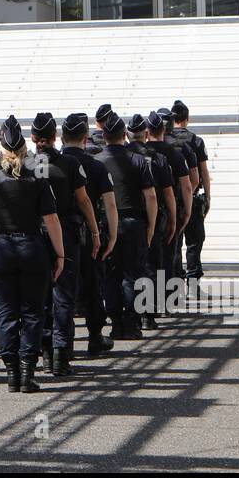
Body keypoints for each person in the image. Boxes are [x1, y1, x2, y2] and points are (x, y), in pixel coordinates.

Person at [0, 115, 64, 393]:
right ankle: (27, 371)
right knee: (32, 312)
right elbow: (51, 220)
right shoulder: (37, 179)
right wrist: (60, 255)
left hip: (2, 249)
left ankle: (12, 372)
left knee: (5, 312)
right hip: (32, 249)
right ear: (25, 150)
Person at [30, 111, 98, 375]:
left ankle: (45, 352)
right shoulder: (69, 164)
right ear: (54, 136)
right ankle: (60, 353)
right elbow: (83, 200)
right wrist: (95, 232)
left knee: (41, 296)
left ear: (34, 137)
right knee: (64, 295)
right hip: (66, 234)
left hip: (34, 236)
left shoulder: (24, 165)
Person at [94, 112, 156, 341]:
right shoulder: (137, 160)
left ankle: (116, 323)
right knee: (132, 275)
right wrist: (150, 226)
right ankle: (131, 323)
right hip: (133, 222)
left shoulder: (96, 161)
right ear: (124, 135)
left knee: (111, 276)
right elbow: (150, 196)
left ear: (103, 135)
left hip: (106, 223)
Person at [62, 112, 118, 355]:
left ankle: (61, 341)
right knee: (93, 284)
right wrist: (112, 235)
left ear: (62, 137)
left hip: (58, 234)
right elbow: (110, 204)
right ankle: (95, 335)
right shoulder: (96, 165)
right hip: (89, 231)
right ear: (86, 138)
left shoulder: (49, 164)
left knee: (60, 288)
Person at [128, 113, 175, 329]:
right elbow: (166, 194)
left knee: (124, 270)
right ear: (145, 134)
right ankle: (148, 314)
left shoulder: (121, 157)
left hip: (123, 217)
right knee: (152, 267)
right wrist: (173, 220)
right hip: (151, 217)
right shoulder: (158, 158)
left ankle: (126, 318)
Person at [147, 111, 192, 306]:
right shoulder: (174, 152)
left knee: (148, 261)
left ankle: (149, 306)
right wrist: (186, 212)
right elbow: (188, 185)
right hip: (168, 209)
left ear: (147, 131)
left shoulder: (140, 151)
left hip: (145, 212)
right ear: (164, 129)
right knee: (169, 258)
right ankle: (168, 302)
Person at [171, 100, 212, 283]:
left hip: (171, 198)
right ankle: (193, 278)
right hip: (193, 197)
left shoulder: (166, 141)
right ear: (187, 119)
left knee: (175, 242)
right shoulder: (195, 140)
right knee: (194, 241)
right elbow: (203, 171)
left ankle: (176, 279)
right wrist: (208, 196)